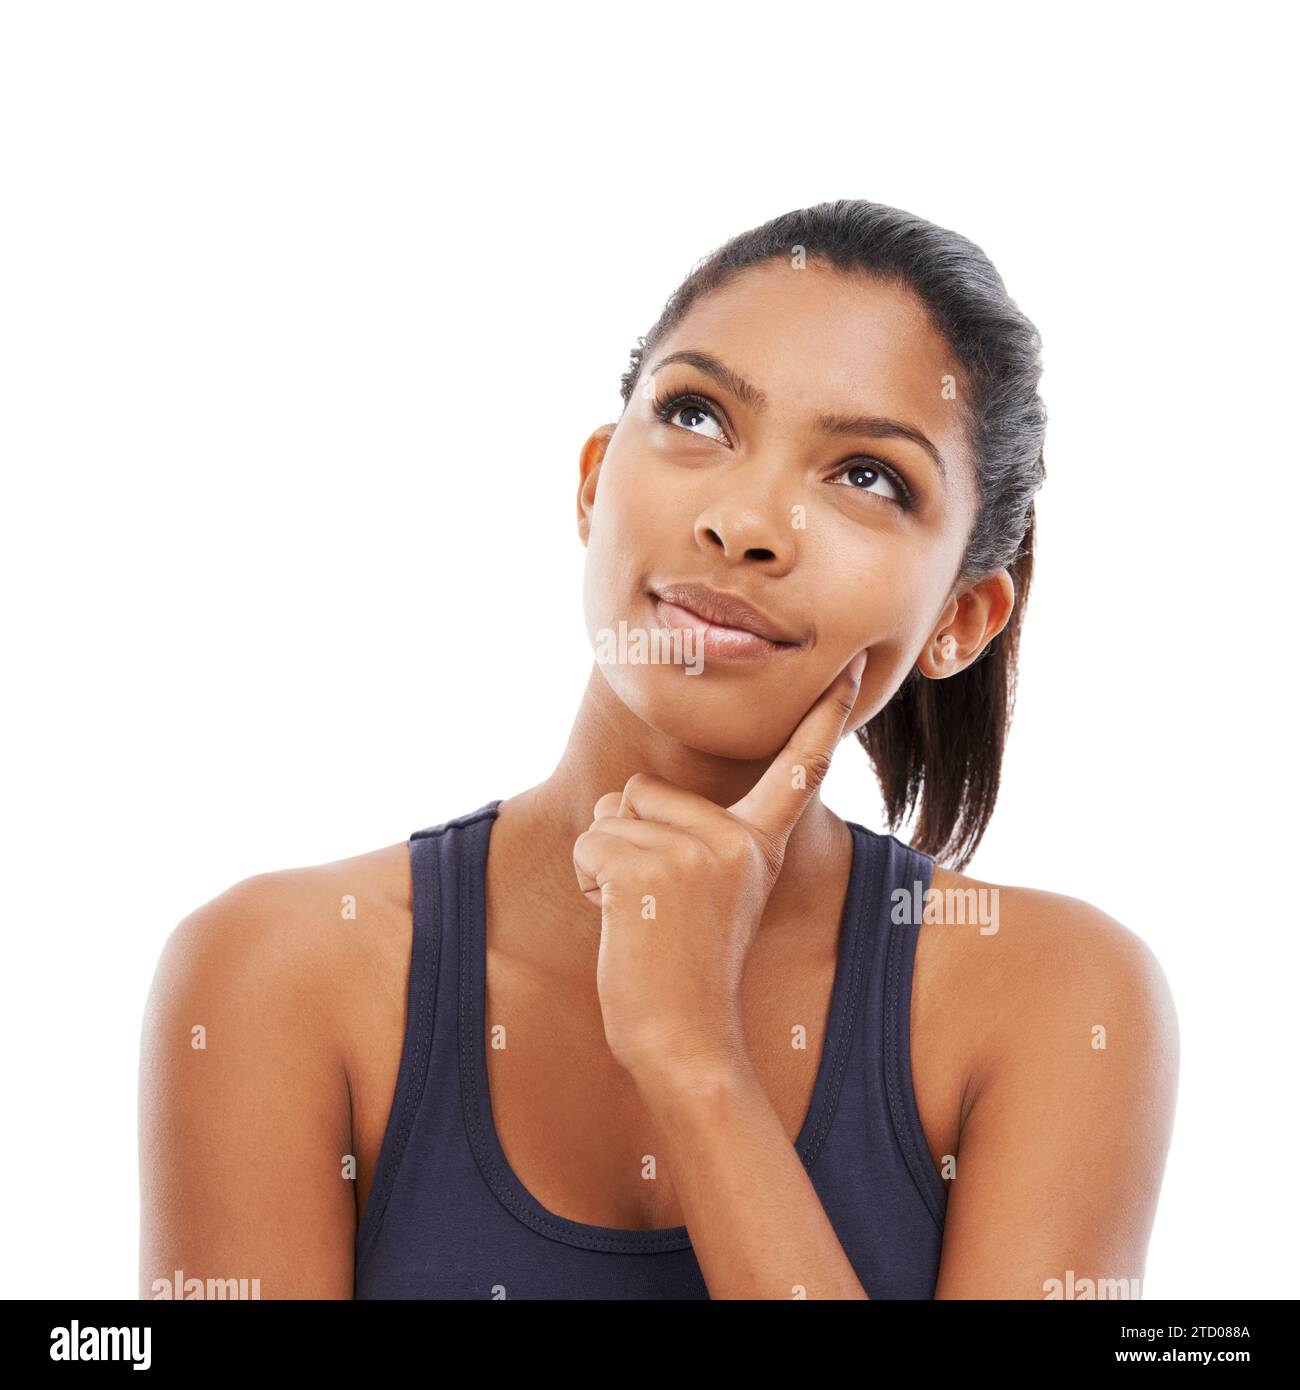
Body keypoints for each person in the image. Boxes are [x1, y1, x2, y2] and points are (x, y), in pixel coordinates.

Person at [138, 199, 1178, 1300]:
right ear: (593, 481)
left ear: (962, 619)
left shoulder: (1057, 998)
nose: (746, 521)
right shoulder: (276, 970)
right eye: (697, 414)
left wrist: (693, 1058)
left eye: (867, 475)